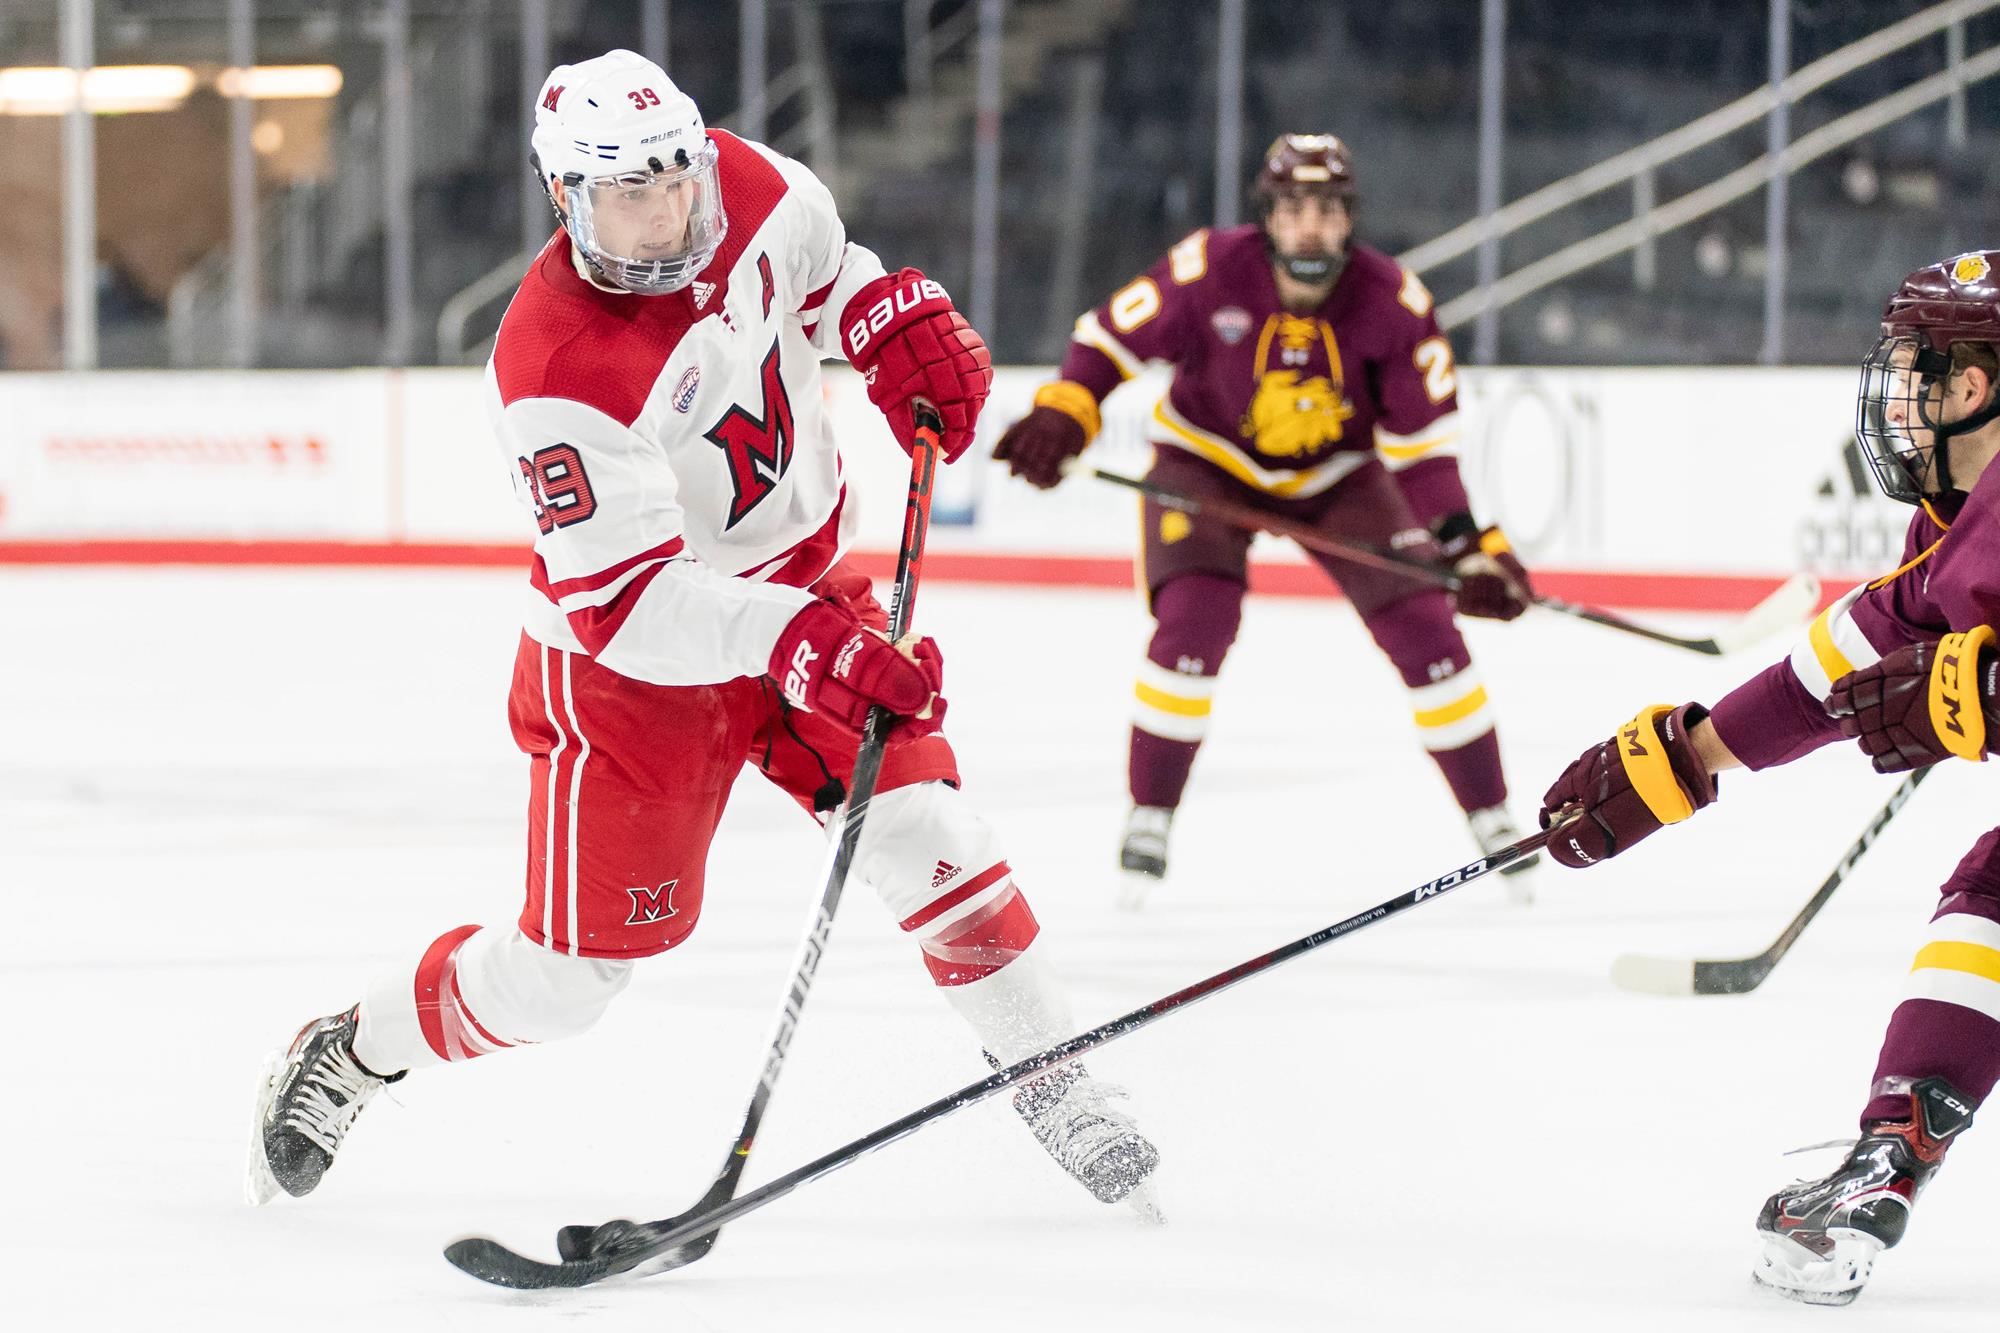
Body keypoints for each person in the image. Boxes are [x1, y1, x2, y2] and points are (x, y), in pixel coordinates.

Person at [245, 49, 1158, 1220]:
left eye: (675, 178)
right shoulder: (554, 367)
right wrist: (804, 643)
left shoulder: (758, 185)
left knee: (925, 826)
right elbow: (631, 606)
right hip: (632, 672)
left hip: (801, 589)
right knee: (570, 978)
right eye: (627, 192)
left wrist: (887, 321)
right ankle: (357, 1048)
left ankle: (1051, 1075)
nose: (667, 210)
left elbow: (829, 275)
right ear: (565, 196)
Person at [1535, 250, 2000, 1306]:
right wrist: (1679, 760)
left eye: (1915, 372)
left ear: (1969, 388)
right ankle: (1893, 1146)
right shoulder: (1956, 526)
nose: (1896, 400)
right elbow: (1833, 668)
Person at [992, 134, 1538, 901]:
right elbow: (1108, 338)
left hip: (1337, 477)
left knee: (1426, 628)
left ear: (1349, 218)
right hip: (1206, 463)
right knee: (1194, 621)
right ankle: (1150, 811)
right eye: (1292, 208)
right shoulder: (1209, 266)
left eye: (1326, 208)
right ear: (1267, 216)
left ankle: (1493, 814)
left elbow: (1423, 456)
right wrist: (1067, 407)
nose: (1308, 225)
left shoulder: (1396, 305)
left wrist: (1468, 549)